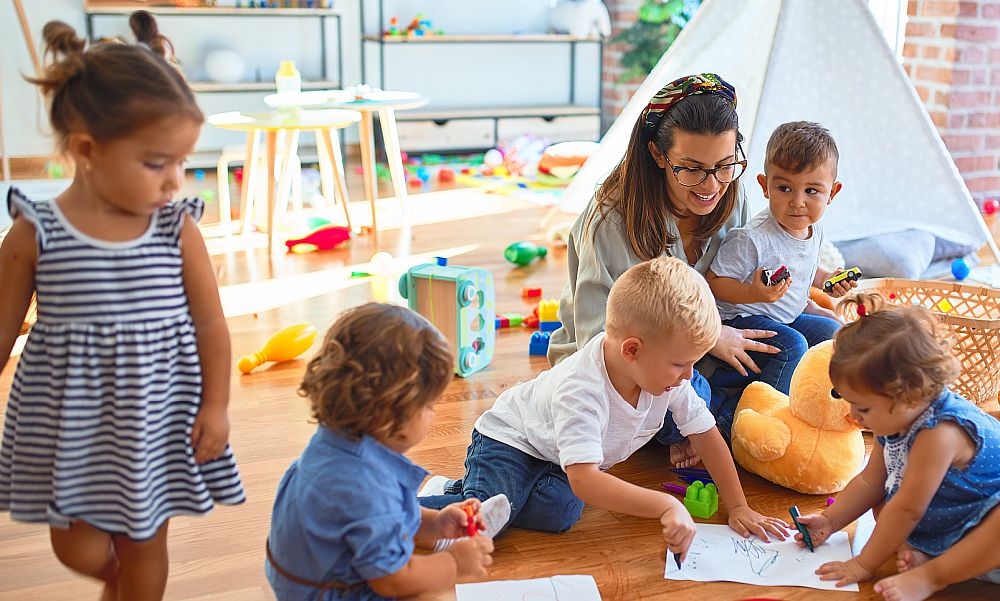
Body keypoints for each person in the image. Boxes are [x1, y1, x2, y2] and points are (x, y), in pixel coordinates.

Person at [0, 13, 245, 601]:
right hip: (70, 425)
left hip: (155, 418)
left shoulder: (175, 229)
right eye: (156, 163)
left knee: (145, 545)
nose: (174, 181)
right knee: (77, 546)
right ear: (87, 150)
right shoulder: (36, 233)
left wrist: (215, 405)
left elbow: (210, 323)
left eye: (182, 162)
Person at [419, 258, 789, 562]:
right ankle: (404, 511)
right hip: (511, 440)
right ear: (632, 350)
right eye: (681, 364)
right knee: (485, 519)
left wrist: (739, 506)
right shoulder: (582, 389)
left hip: (556, 454)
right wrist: (664, 505)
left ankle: (474, 490)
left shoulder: (668, 375)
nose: (690, 375)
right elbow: (585, 480)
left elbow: (705, 434)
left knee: (560, 513)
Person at [546, 73, 781, 468]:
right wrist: (709, 340)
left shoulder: (730, 193)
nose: (711, 185)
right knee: (691, 395)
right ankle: (720, 432)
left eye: (725, 165)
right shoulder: (610, 222)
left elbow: (740, 290)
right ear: (658, 155)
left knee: (811, 339)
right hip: (634, 372)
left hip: (700, 356)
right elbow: (599, 341)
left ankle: (719, 427)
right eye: (691, 169)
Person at [266, 303, 501, 601]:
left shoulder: (333, 443)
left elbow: (369, 521)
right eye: (429, 406)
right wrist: (454, 563)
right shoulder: (367, 485)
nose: (433, 414)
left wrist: (435, 522)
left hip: (305, 579)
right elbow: (392, 580)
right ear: (392, 413)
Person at [793, 293, 1000, 601]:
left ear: (910, 396)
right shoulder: (894, 418)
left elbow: (909, 509)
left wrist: (863, 564)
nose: (852, 416)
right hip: (951, 520)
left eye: (863, 409)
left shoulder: (940, 433)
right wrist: (831, 522)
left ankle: (933, 575)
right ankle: (927, 555)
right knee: (884, 501)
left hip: (987, 539)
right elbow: (869, 481)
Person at [706, 121, 856, 395]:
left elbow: (807, 269)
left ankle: (813, 400)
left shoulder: (813, 229)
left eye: (812, 191)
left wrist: (828, 280)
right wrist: (752, 292)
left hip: (786, 317)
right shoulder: (752, 238)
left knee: (834, 333)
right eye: (785, 188)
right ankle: (759, 413)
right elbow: (714, 282)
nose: (798, 202)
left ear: (832, 193)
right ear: (765, 186)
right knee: (793, 346)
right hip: (743, 318)